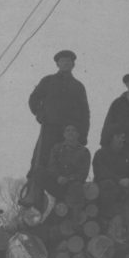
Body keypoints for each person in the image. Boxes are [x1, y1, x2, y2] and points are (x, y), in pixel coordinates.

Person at [27, 49, 90, 177]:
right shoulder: (48, 81)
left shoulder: (78, 86)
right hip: (49, 129)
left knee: (68, 167)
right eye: (62, 61)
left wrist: (83, 135)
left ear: (73, 65)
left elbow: (85, 113)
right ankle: (34, 195)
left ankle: (65, 196)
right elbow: (34, 99)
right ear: (57, 64)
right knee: (40, 163)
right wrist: (40, 114)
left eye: (69, 61)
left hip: (70, 133)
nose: (66, 63)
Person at [28, 124, 91, 205]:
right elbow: (52, 166)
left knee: (77, 188)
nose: (70, 132)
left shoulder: (84, 152)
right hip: (57, 182)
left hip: (72, 184)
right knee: (39, 172)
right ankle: (38, 203)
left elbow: (83, 173)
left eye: (73, 130)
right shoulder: (56, 148)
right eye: (67, 130)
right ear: (64, 134)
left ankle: (66, 206)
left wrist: (69, 179)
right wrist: (58, 177)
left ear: (78, 134)